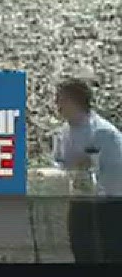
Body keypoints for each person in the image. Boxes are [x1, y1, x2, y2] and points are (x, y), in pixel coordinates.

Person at [52, 77, 122, 262]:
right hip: (79, 202)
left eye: (61, 99)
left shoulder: (104, 133)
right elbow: (59, 162)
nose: (57, 104)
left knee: (109, 254)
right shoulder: (63, 133)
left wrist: (88, 168)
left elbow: (117, 171)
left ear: (75, 101)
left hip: (108, 205)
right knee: (82, 252)